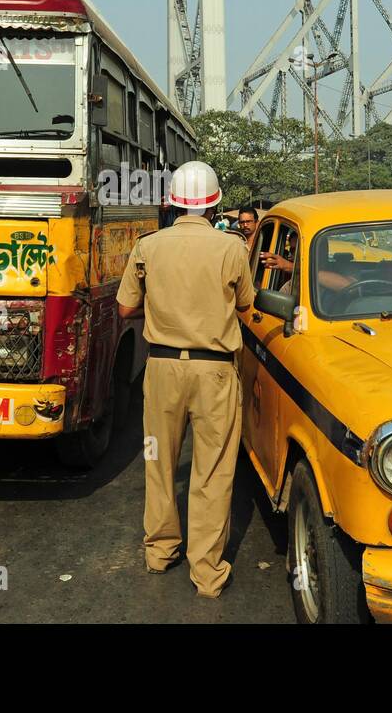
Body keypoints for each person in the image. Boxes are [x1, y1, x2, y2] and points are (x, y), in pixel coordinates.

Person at [116, 161, 254, 597]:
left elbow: (124, 310)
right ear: (215, 203)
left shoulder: (148, 246)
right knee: (213, 470)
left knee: (159, 462)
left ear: (173, 201)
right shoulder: (232, 247)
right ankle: (208, 573)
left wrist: (162, 312)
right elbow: (246, 307)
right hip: (214, 372)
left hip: (161, 371)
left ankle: (160, 551)